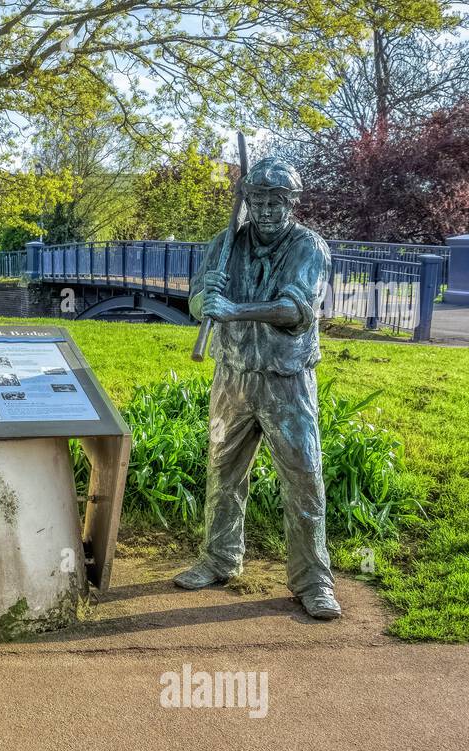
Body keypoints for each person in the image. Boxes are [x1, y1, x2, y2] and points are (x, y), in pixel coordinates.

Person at [174, 157, 341, 620]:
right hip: (233, 375)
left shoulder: (309, 247)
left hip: (286, 380)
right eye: (259, 199)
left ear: (292, 203)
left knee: (303, 476)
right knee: (222, 470)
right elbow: (195, 302)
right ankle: (219, 558)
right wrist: (203, 299)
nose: (267, 208)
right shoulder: (225, 244)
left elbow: (294, 311)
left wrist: (233, 310)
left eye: (277, 200)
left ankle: (313, 581)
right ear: (247, 201)